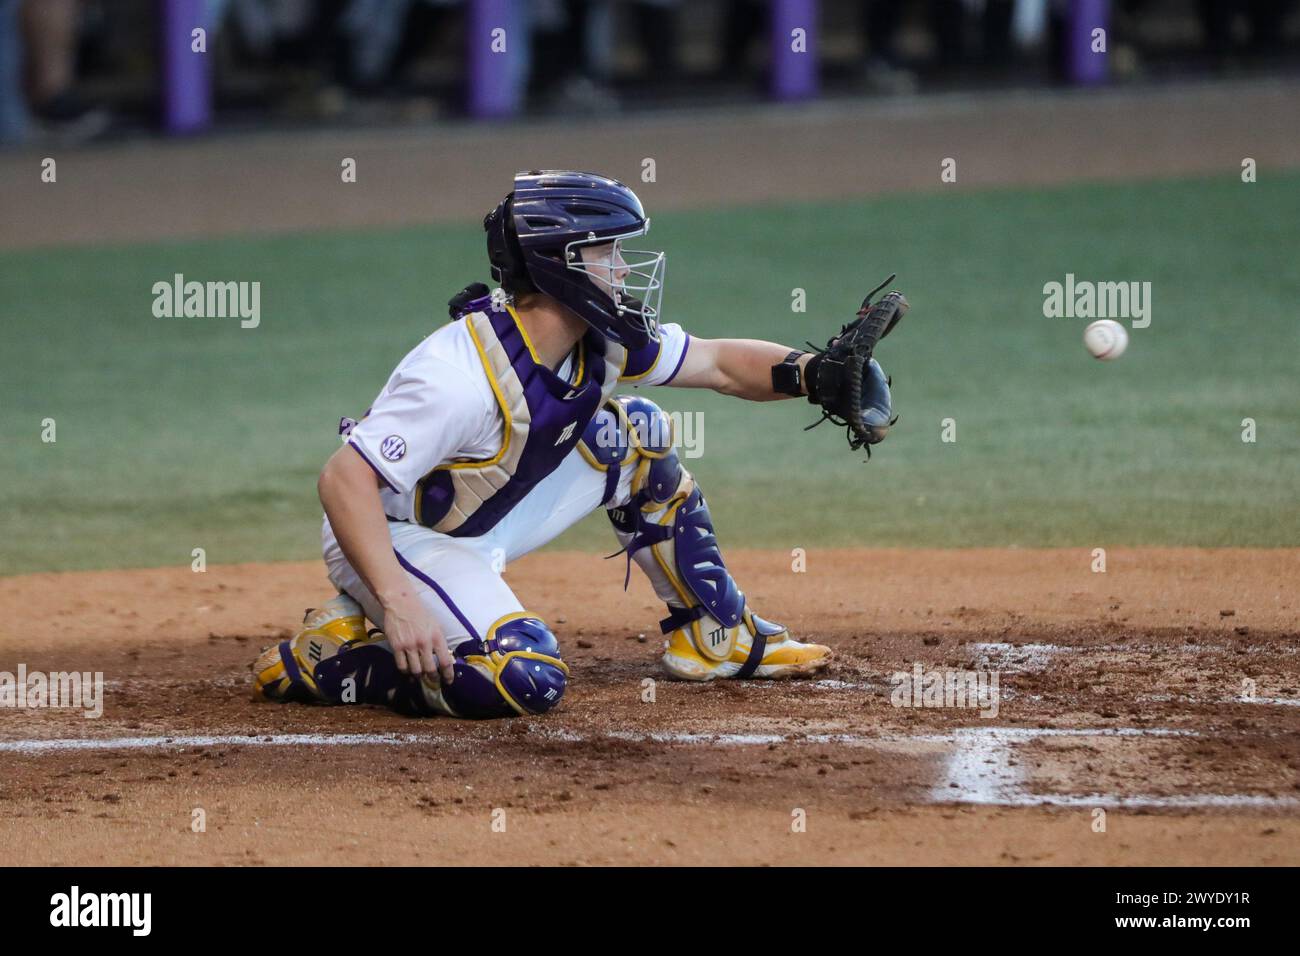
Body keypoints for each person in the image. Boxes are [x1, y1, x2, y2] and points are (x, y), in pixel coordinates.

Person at [252, 170, 881, 719]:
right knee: (522, 678)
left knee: (636, 432)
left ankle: (715, 636)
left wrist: (809, 373)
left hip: (484, 516)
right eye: (608, 251)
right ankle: (340, 662)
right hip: (398, 538)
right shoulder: (459, 375)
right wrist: (396, 601)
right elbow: (343, 479)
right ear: (562, 265)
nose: (626, 268)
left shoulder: (599, 339)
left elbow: (716, 364)